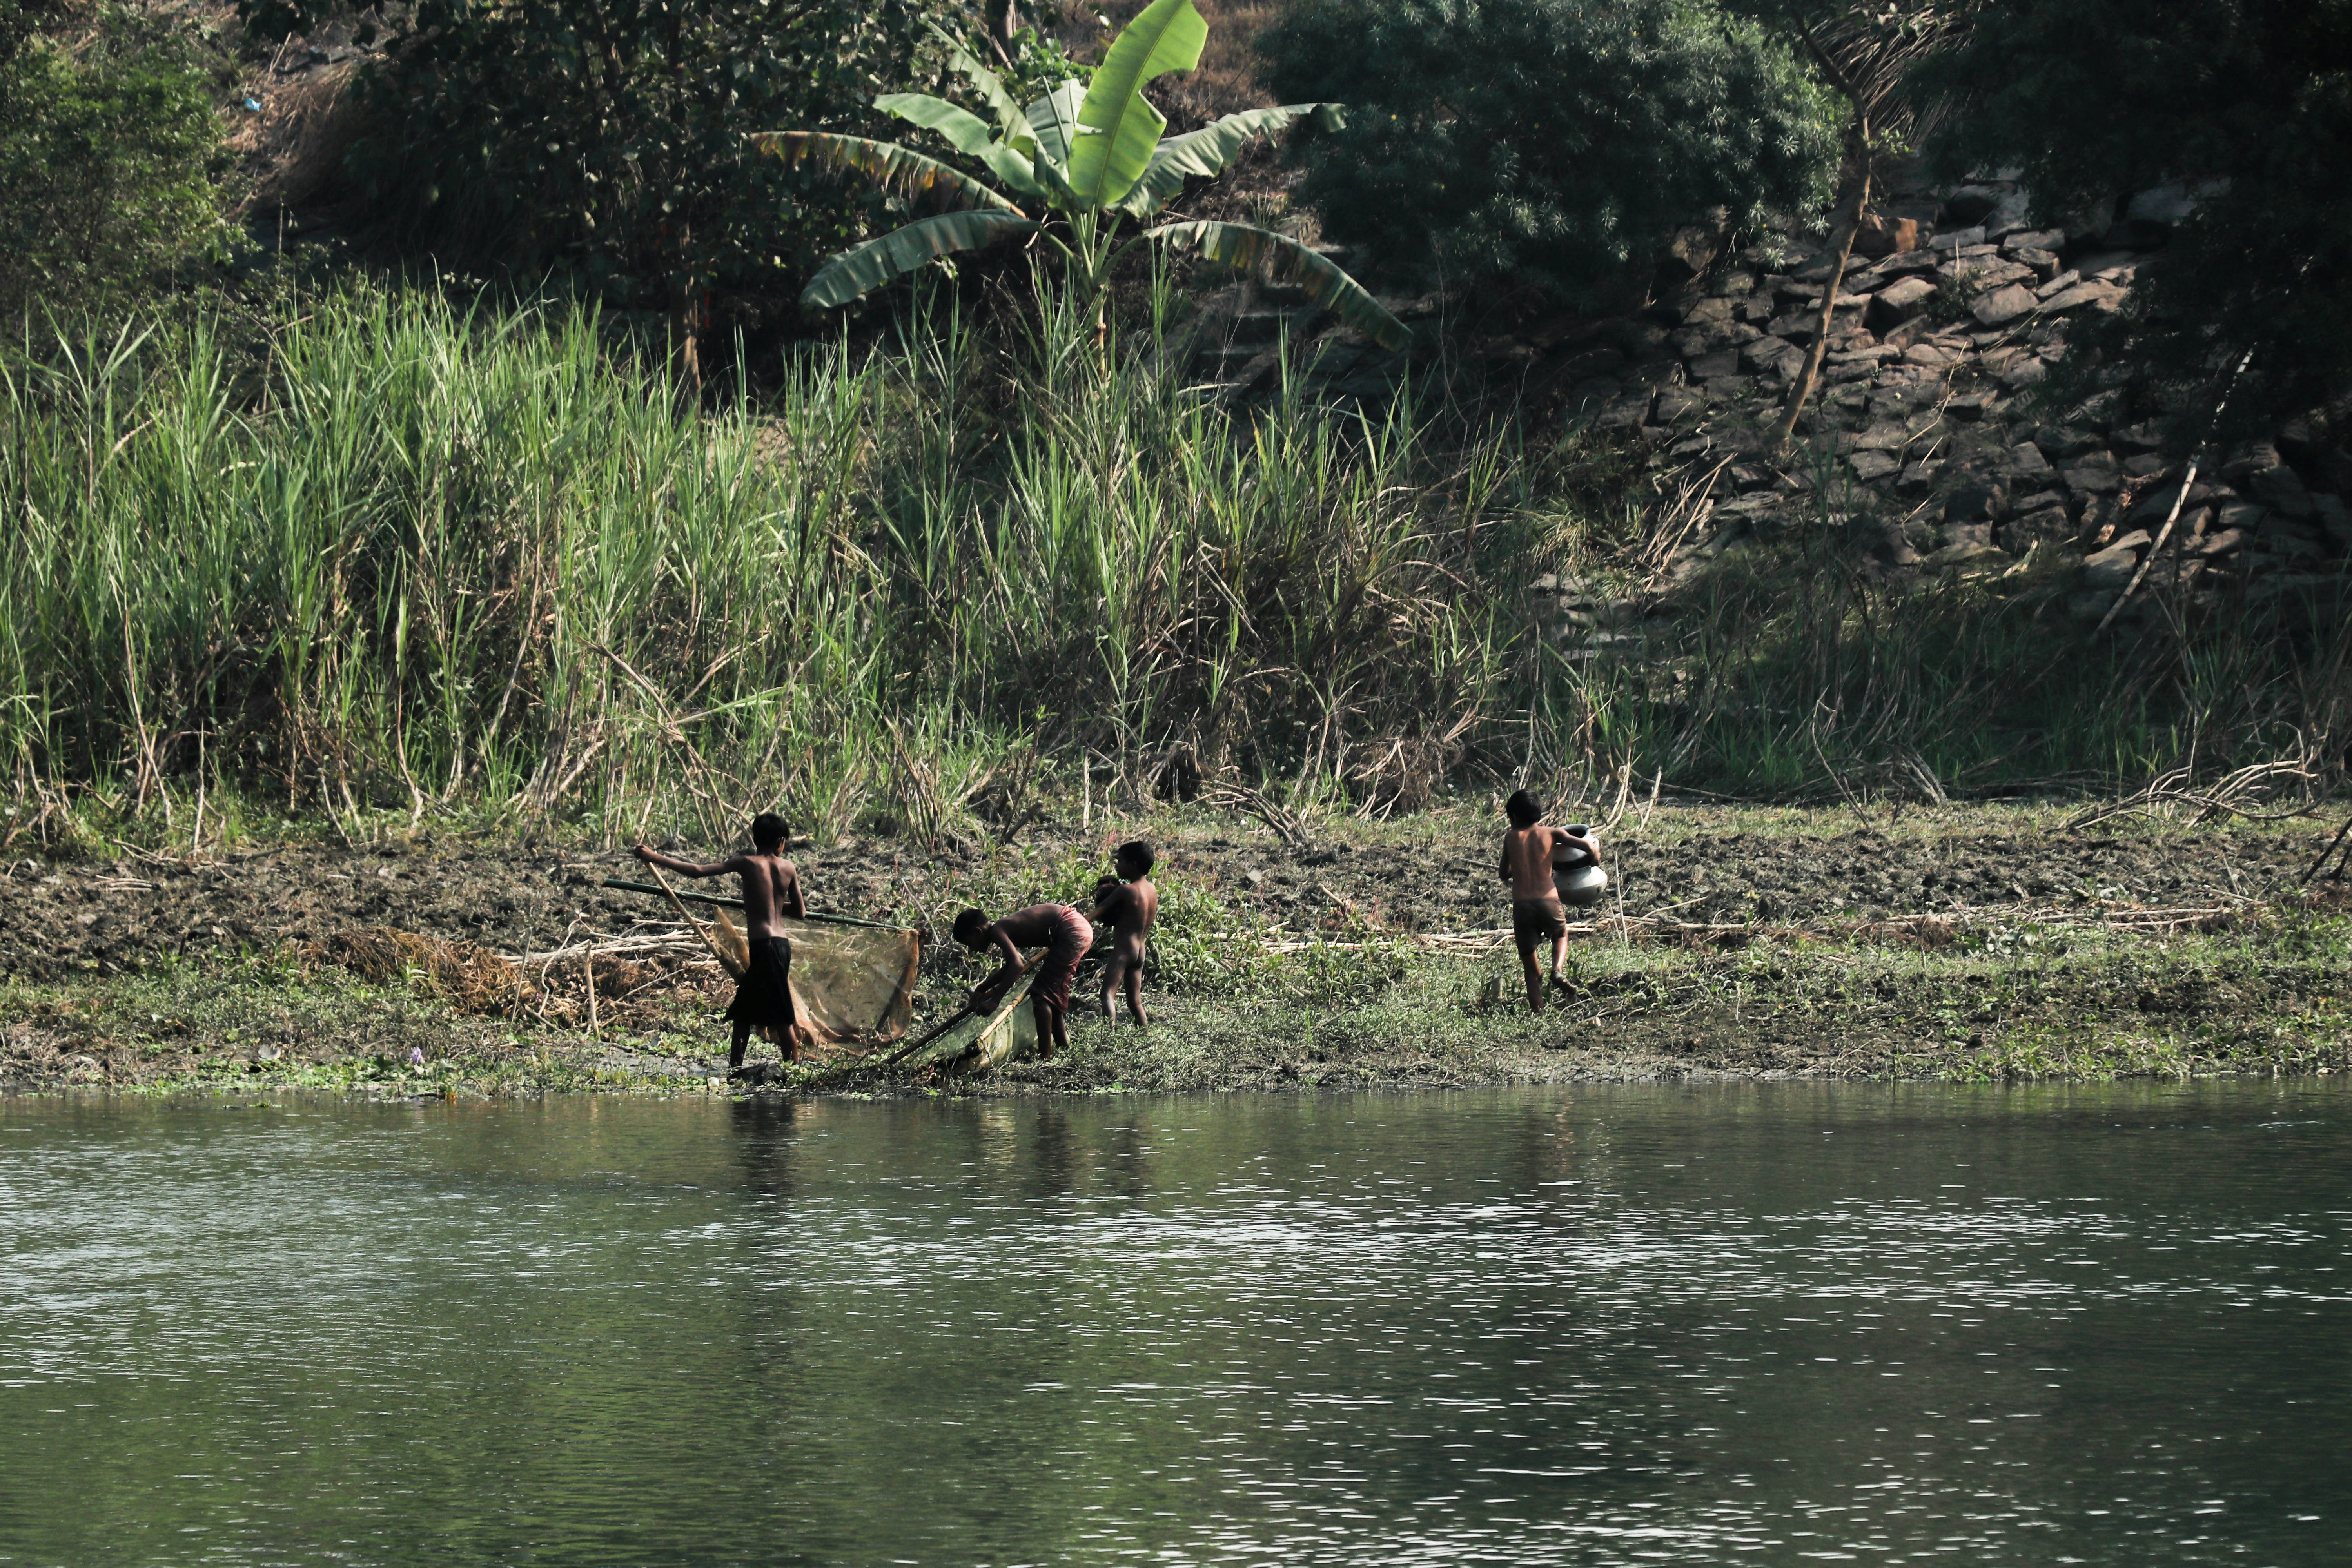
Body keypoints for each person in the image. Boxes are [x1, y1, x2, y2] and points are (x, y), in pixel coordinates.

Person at [635, 812, 806, 1071]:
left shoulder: (747, 863)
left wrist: (654, 857)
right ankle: (735, 1070)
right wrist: (774, 904)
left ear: (756, 837)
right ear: (781, 841)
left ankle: (793, 1072)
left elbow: (697, 872)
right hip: (781, 946)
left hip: (764, 947)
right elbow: (800, 912)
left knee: (781, 1016)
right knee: (743, 1012)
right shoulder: (788, 867)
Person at [951, 898, 1093, 1060]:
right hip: (1076, 928)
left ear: (978, 932)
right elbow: (1012, 966)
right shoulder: (1001, 929)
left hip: (1070, 929)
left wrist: (995, 1001)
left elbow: (1017, 966)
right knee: (1051, 993)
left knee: (1041, 996)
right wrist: (982, 988)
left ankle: (1045, 1057)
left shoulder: (998, 930)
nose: (973, 949)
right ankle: (1063, 1047)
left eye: (970, 944)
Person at [1498, 789, 1600, 1013]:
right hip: (1549, 900)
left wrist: (1519, 869)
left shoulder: (1510, 837)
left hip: (1522, 905)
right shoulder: (1552, 833)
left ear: (1514, 817)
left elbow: (1504, 874)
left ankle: (1539, 1013)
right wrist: (1594, 860)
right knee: (1561, 933)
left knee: (1530, 965)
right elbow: (1588, 846)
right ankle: (1557, 970)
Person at [1091, 840, 1159, 1026]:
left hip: (1124, 950)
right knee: (1135, 1001)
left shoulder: (1126, 890)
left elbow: (1099, 911)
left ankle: (1108, 1036)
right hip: (1140, 951)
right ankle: (1145, 1034)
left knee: (1107, 994)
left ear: (1132, 865)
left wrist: (1075, 921)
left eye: (1120, 861)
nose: (1117, 866)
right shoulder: (1152, 889)